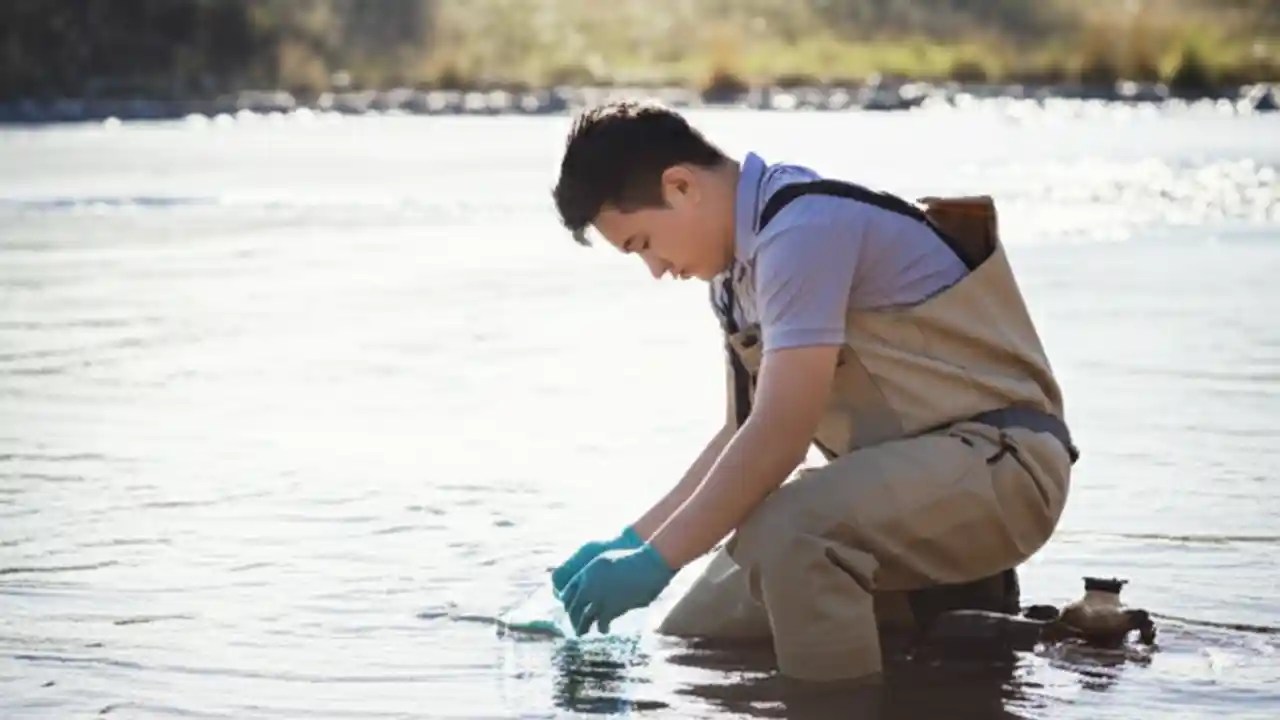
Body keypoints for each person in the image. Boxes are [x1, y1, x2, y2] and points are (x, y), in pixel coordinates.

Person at [546, 100, 1077, 683]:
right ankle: (935, 632)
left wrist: (657, 562)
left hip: (1005, 467)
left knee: (791, 532)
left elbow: (781, 436)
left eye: (642, 243)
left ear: (680, 186)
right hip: (896, 483)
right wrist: (631, 542)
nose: (654, 269)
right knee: (698, 639)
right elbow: (741, 435)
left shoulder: (801, 231)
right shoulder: (732, 279)